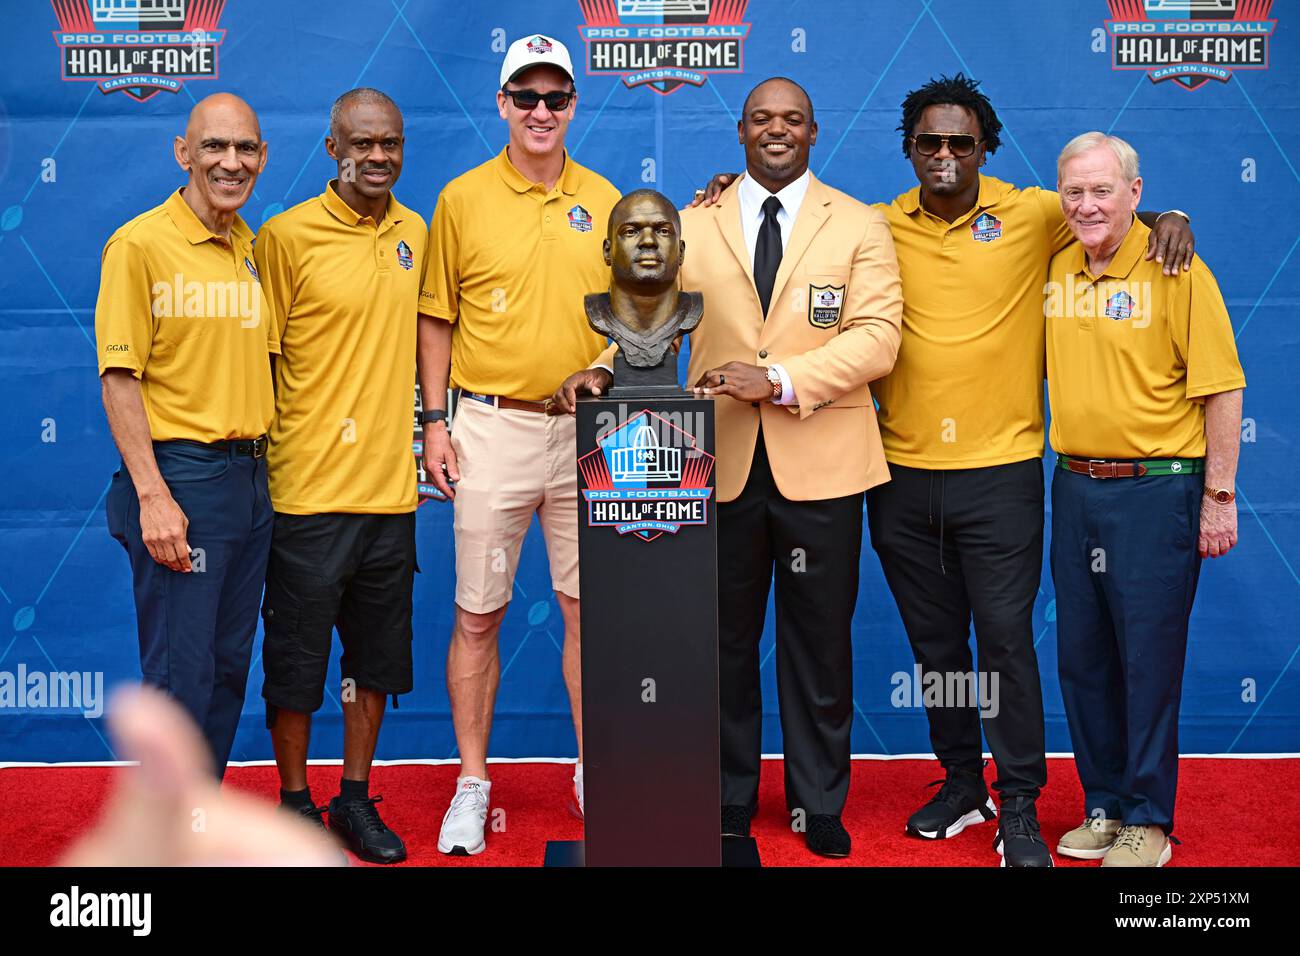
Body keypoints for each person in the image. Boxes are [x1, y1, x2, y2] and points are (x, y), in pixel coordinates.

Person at [690, 72, 1197, 867]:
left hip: (1000, 474)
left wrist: (1169, 216)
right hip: (902, 476)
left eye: (961, 141)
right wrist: (733, 191)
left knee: (1005, 646)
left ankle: (1018, 801)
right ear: (909, 148)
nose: (945, 154)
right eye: (929, 141)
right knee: (938, 651)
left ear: (985, 147)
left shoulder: (1033, 213)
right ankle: (964, 781)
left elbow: (1103, 211)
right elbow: (784, 222)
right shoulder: (876, 222)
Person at [554, 77, 903, 858]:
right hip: (717, 466)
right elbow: (650, 321)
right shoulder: (696, 221)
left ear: (814, 132)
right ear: (740, 132)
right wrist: (603, 372)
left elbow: (878, 337)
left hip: (824, 466)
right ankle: (726, 798)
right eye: (762, 119)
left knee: (820, 645)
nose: (777, 130)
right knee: (721, 644)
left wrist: (777, 379)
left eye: (792, 120)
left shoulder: (860, 223)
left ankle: (818, 804)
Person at [418, 34, 620, 856]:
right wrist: (434, 422)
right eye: (526, 96)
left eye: (555, 98)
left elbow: (636, 315)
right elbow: (436, 317)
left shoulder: (605, 199)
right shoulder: (462, 199)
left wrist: (606, 369)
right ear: (501, 103)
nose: (541, 111)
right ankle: (473, 783)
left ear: (573, 105)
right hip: (490, 426)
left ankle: (595, 770)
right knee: (478, 615)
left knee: (590, 612)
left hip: (586, 432)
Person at [1046, 132, 1244, 868]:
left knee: (1148, 663)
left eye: (1103, 190)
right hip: (1074, 486)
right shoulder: (1057, 262)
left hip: (1157, 491)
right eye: (1074, 191)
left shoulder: (1178, 267)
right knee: (1084, 660)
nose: (1087, 205)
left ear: (1136, 192)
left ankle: (1149, 821)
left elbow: (1223, 387)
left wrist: (1219, 496)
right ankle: (1103, 807)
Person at [253, 89, 425, 863]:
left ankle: (354, 800)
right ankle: (293, 803)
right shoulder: (286, 237)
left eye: (391, 143)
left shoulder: (414, 232)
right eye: (363, 144)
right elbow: (258, 361)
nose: (378, 156)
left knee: (373, 665)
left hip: (390, 495)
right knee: (296, 664)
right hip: (307, 494)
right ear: (332, 149)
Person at [97, 93, 277, 779]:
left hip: (250, 483)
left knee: (229, 667)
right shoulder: (139, 245)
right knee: (181, 673)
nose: (232, 163)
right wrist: (153, 495)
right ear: (183, 153)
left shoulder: (251, 247)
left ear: (262, 157)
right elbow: (119, 380)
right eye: (214, 147)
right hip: (182, 480)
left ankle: (198, 812)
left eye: (245, 148)